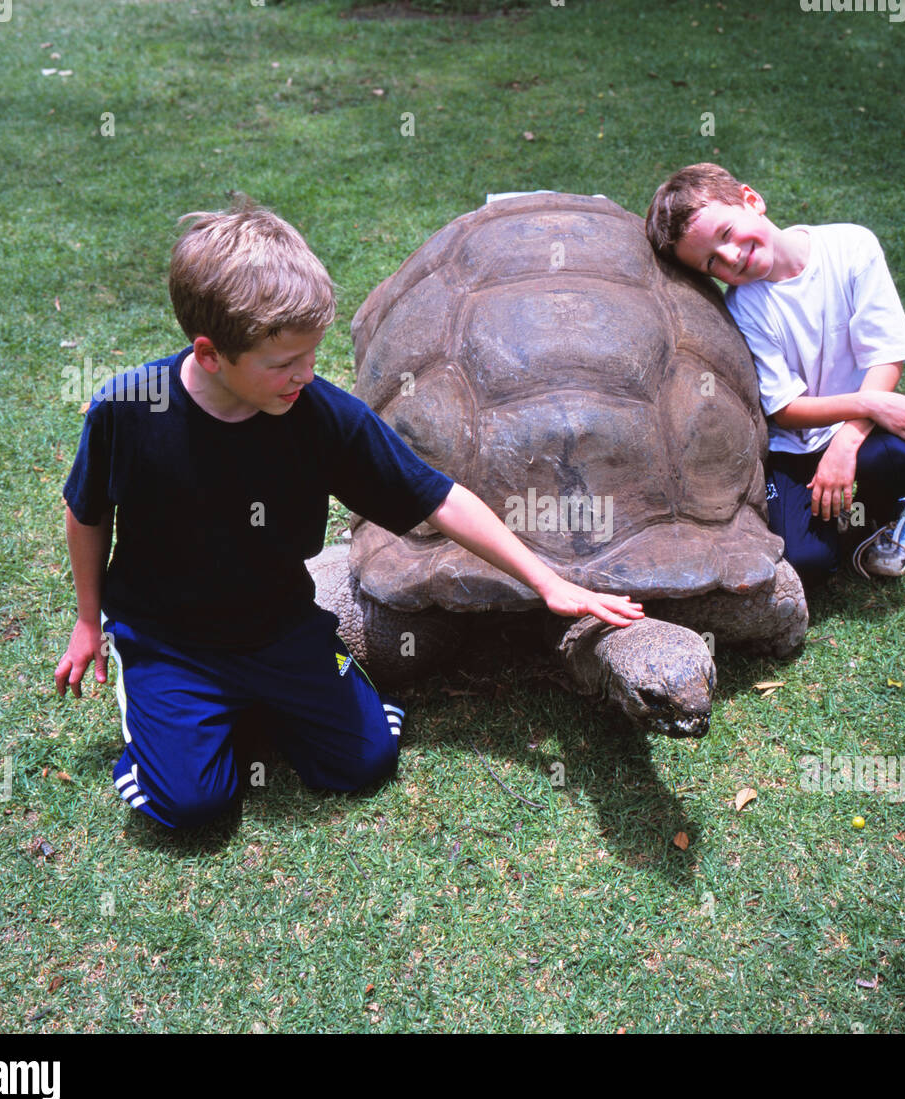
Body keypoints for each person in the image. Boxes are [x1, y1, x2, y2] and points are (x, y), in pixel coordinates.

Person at [54, 196, 642, 830]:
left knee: (365, 762)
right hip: (170, 641)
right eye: (283, 363)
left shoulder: (322, 416)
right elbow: (86, 513)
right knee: (195, 808)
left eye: (312, 354)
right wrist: (90, 620)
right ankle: (164, 710)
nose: (306, 374)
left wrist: (549, 582)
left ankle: (260, 707)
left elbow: (438, 498)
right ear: (209, 354)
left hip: (278, 629)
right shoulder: (127, 411)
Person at [645, 163, 905, 584]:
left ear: (752, 200)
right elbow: (784, 409)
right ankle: (831, 526)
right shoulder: (744, 307)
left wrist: (847, 442)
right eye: (712, 263)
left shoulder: (853, 247)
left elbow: (886, 355)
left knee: (898, 451)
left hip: (862, 428)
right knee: (806, 562)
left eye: (726, 234)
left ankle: (879, 525)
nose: (731, 258)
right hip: (792, 443)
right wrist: (868, 403)